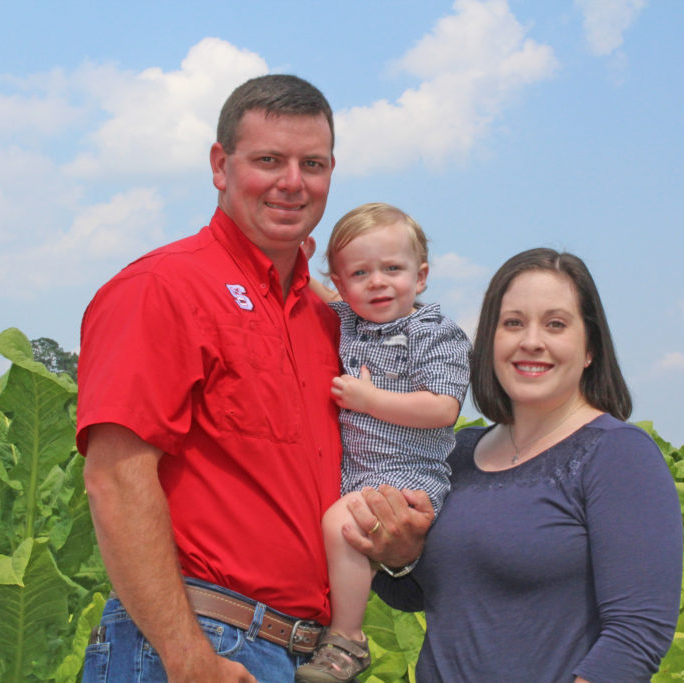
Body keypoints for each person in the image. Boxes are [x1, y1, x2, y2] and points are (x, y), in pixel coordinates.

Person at [76, 75, 433, 683]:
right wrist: (189, 660)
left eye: (312, 164)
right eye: (269, 160)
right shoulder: (162, 288)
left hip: (306, 654)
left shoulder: (329, 321)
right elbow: (115, 478)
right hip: (199, 641)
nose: (292, 182)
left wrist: (396, 546)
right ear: (221, 165)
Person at [373, 248, 684, 682]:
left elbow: (636, 635)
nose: (531, 341)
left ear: (590, 348)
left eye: (555, 324)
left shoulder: (618, 455)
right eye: (513, 323)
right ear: (489, 342)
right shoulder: (456, 454)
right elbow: (417, 597)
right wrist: (400, 558)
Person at [293, 203, 471, 683]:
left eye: (392, 269)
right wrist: (296, 261)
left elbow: (443, 407)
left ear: (421, 276)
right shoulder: (351, 320)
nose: (377, 282)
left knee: (339, 525)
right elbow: (322, 294)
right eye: (360, 273)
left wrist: (370, 400)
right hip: (357, 473)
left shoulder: (434, 332)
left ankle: (348, 639)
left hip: (408, 476)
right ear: (341, 281)